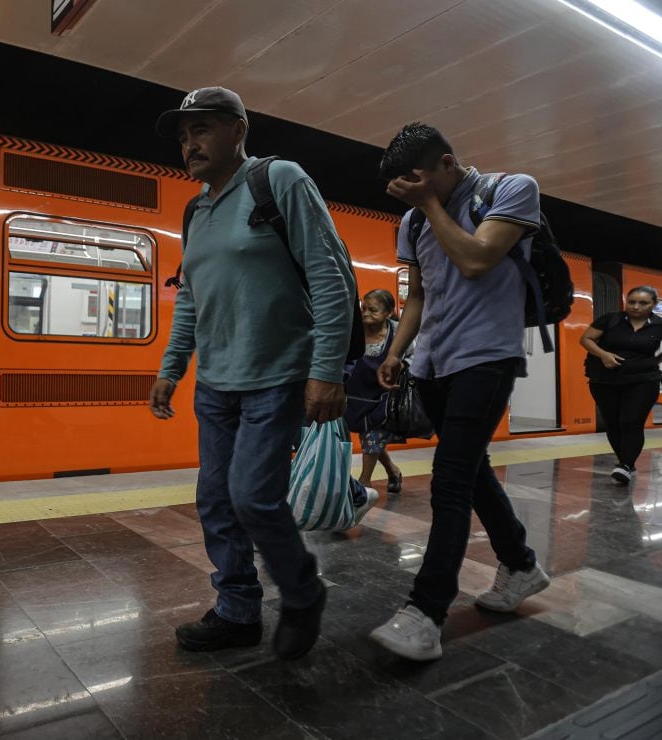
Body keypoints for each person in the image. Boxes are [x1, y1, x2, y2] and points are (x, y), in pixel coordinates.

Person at [149, 86, 359, 660]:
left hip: (277, 375)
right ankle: (237, 610)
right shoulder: (195, 210)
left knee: (252, 498)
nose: (190, 144)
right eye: (183, 136)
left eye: (202, 129)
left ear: (238, 130)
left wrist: (327, 371)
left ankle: (302, 592)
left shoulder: (279, 179)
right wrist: (172, 365)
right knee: (215, 500)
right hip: (215, 383)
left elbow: (329, 276)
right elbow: (190, 295)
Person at [368, 123, 550, 661]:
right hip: (432, 362)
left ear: (447, 163)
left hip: (486, 358)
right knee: (471, 472)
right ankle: (521, 565)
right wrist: (396, 351)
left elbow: (476, 260)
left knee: (449, 480)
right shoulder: (411, 220)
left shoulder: (512, 189)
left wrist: (429, 206)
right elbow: (419, 295)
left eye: (419, 180)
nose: (412, 192)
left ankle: (426, 612)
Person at [580, 286, 662, 484]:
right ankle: (626, 463)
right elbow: (586, 339)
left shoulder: (659, 325)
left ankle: (625, 465)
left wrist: (654, 362)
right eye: (631, 302)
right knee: (613, 423)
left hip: (643, 380)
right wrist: (603, 355)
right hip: (604, 380)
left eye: (643, 303)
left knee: (631, 421)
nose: (636, 306)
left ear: (654, 304)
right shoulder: (611, 319)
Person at [346, 289, 405, 493]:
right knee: (371, 440)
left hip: (383, 397)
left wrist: (401, 365)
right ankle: (392, 470)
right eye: (364, 309)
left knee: (372, 437)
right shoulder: (354, 330)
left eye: (373, 310)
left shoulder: (398, 334)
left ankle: (364, 483)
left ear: (388, 313)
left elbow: (413, 357)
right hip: (355, 396)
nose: (366, 314)